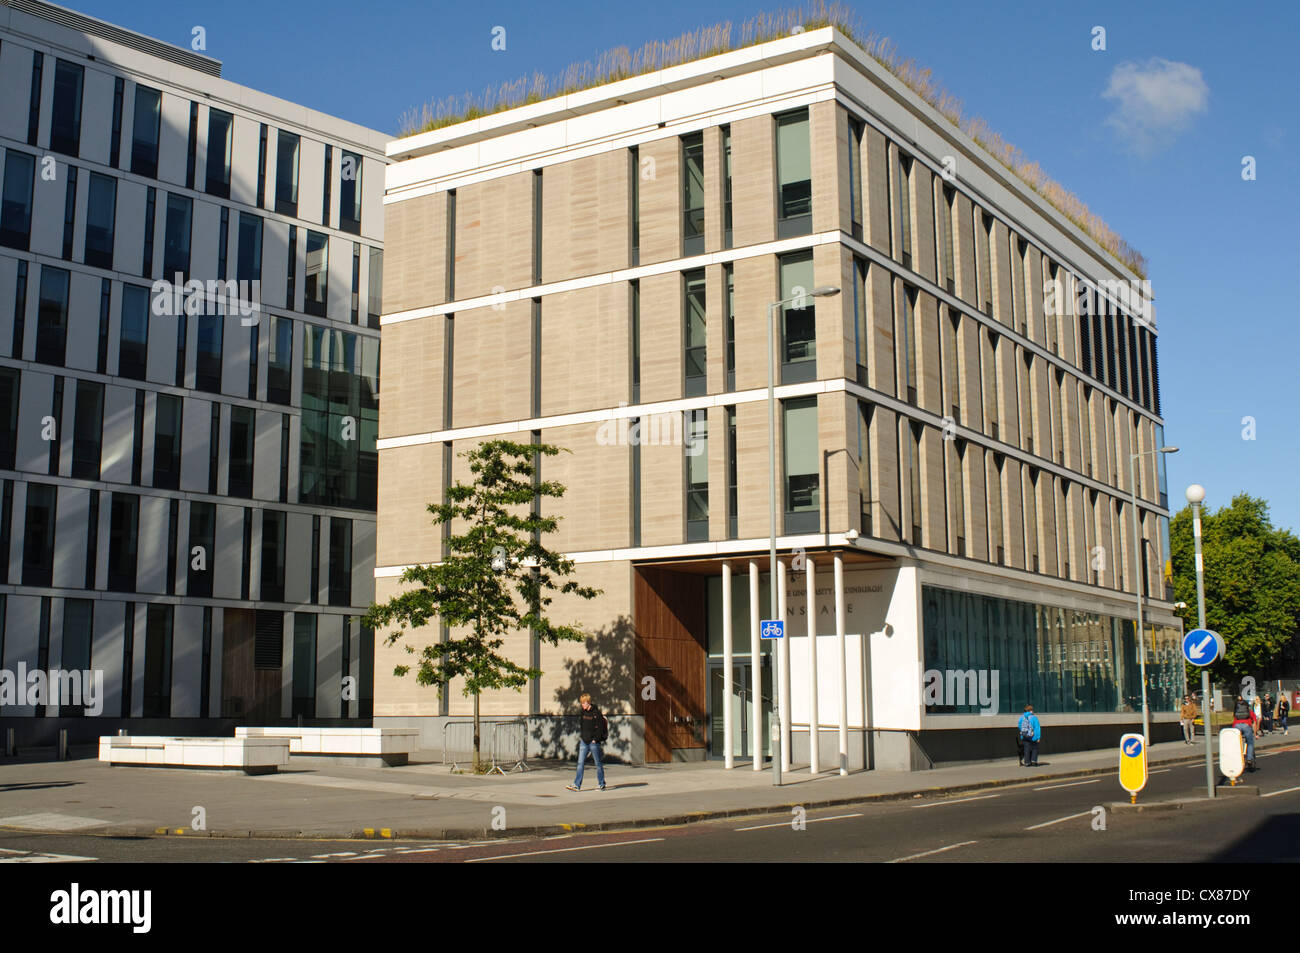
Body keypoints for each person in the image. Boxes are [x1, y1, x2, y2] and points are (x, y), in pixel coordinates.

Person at [566, 692, 608, 791]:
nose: (582, 705)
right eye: (581, 703)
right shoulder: (583, 712)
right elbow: (582, 725)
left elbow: (600, 728)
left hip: (593, 743)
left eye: (583, 703)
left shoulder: (596, 713)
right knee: (580, 763)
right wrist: (583, 737)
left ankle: (601, 783)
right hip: (584, 742)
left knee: (598, 763)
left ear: (588, 702)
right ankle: (577, 785)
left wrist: (595, 739)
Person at [1232, 694, 1257, 771]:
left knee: (1237, 744)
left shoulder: (1236, 711)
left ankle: (1236, 758)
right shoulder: (1249, 711)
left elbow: (1234, 721)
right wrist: (1255, 734)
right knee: (1250, 742)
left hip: (1236, 726)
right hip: (1246, 726)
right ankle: (1249, 759)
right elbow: (1254, 722)